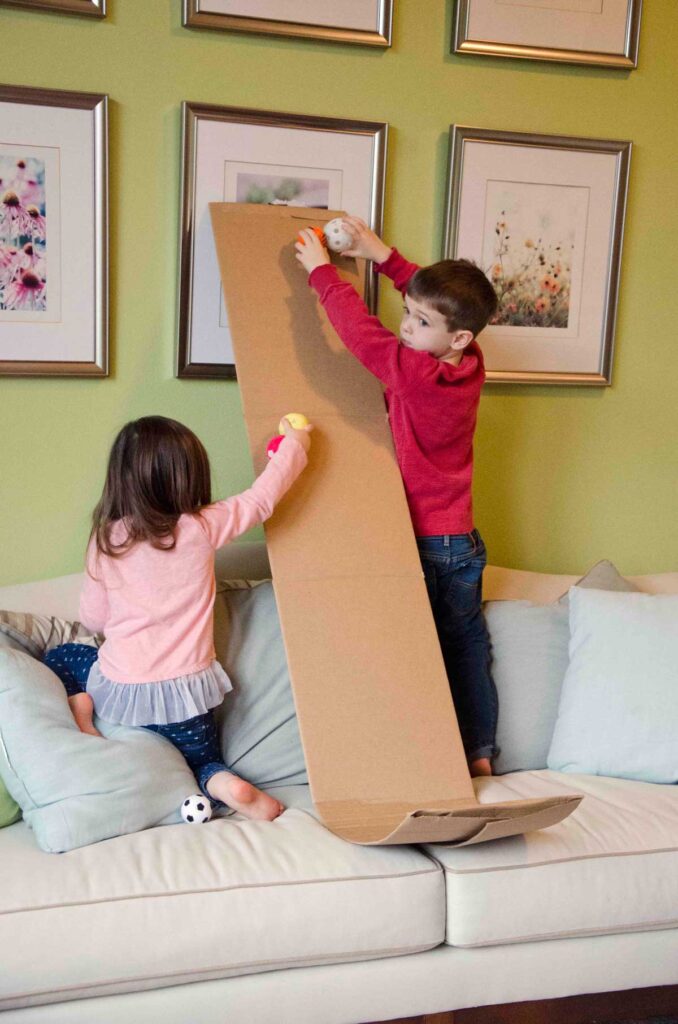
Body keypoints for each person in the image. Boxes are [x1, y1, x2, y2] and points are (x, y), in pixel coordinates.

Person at [295, 217, 498, 776]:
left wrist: (322, 275)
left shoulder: (415, 375)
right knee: (465, 646)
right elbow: (431, 299)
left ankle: (429, 761)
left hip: (430, 543)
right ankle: (479, 754)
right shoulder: (470, 365)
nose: (406, 326)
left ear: (457, 338)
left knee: (417, 650)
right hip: (461, 538)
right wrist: (380, 254)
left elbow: (361, 335)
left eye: (420, 322)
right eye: (408, 313)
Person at [44, 414, 311, 820]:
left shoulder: (106, 541)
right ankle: (221, 783)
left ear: (121, 478)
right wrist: (297, 442)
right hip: (187, 697)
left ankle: (82, 707)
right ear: (189, 475)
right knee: (201, 762)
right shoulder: (201, 527)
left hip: (120, 695)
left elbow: (93, 619)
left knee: (63, 656)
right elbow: (261, 500)